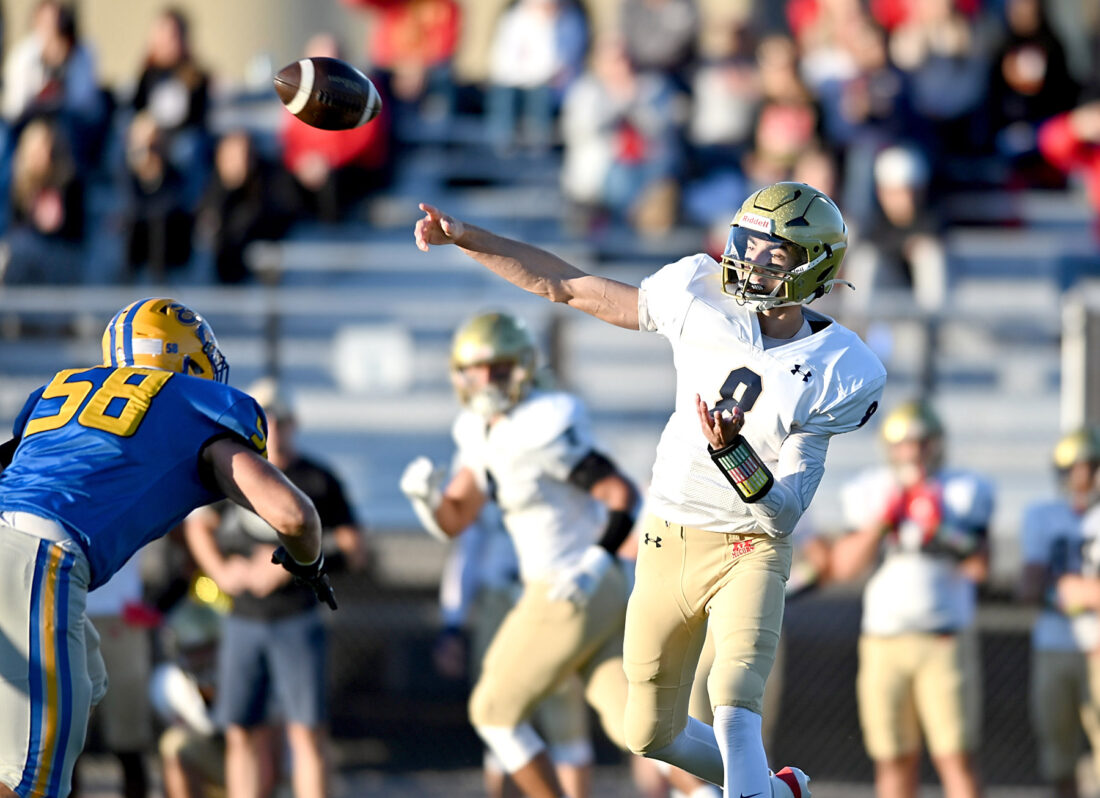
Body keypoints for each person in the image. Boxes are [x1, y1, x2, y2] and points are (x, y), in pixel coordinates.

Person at [412, 181, 887, 798]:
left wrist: (734, 454)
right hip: (666, 537)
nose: (749, 261)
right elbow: (568, 286)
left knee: (734, 705)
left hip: (748, 546)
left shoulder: (840, 366)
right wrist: (468, 239)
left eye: (772, 254)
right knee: (648, 734)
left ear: (814, 266)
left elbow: (784, 513)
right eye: (746, 243)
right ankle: (776, 791)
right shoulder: (698, 293)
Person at [0, 297, 334, 798]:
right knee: (33, 778)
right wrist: (308, 561)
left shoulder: (60, 390)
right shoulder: (188, 403)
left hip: (20, 548)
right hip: (38, 557)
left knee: (88, 676)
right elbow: (294, 515)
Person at [400, 311, 720, 798]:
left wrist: (593, 562)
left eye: (498, 369)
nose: (486, 381)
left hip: (570, 583)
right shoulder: (481, 430)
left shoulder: (543, 421)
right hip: (590, 588)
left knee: (492, 712)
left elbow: (619, 494)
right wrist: (427, 500)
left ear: (523, 367)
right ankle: (726, 790)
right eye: (475, 371)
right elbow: (456, 518)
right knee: (636, 723)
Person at [184, 377, 368, 798]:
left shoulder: (316, 478)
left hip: (296, 617)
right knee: (241, 730)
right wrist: (221, 571)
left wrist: (291, 563)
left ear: (294, 423)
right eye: (266, 420)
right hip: (243, 619)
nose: (275, 430)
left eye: (281, 420)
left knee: (307, 731)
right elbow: (199, 527)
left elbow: (354, 547)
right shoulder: (235, 472)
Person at [828, 399, 992, 798]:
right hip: (883, 640)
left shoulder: (962, 489)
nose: (914, 452)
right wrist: (882, 523)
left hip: (942, 638)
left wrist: (943, 530)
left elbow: (980, 567)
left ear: (937, 443)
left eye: (922, 442)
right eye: (904, 443)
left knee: (955, 756)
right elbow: (843, 567)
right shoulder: (870, 489)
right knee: (892, 758)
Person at [434, 503, 596, 798]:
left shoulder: (563, 473)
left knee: (565, 722)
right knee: (498, 718)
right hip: (499, 599)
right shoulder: (482, 477)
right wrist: (452, 624)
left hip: (553, 597)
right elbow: (468, 546)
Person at [1021, 428, 1100, 798]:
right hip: (1054, 644)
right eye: (1074, 469)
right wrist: (1064, 592)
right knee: (1058, 758)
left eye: (1090, 467)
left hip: (1096, 647)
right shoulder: (1042, 515)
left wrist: (1085, 592)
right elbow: (1029, 588)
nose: (1081, 478)